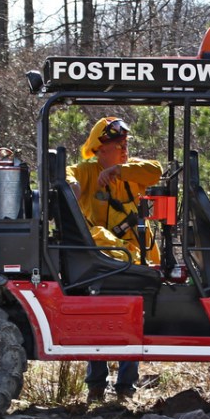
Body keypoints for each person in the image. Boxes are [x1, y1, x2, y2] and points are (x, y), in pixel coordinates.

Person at [66, 116, 162, 403]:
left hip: (136, 261)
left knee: (131, 322)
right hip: (102, 262)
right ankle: (96, 386)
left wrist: (119, 170)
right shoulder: (86, 170)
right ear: (100, 149)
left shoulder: (132, 169)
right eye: (118, 146)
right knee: (99, 321)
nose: (124, 149)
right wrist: (71, 186)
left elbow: (155, 171)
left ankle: (126, 388)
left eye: (125, 144)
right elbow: (66, 175)